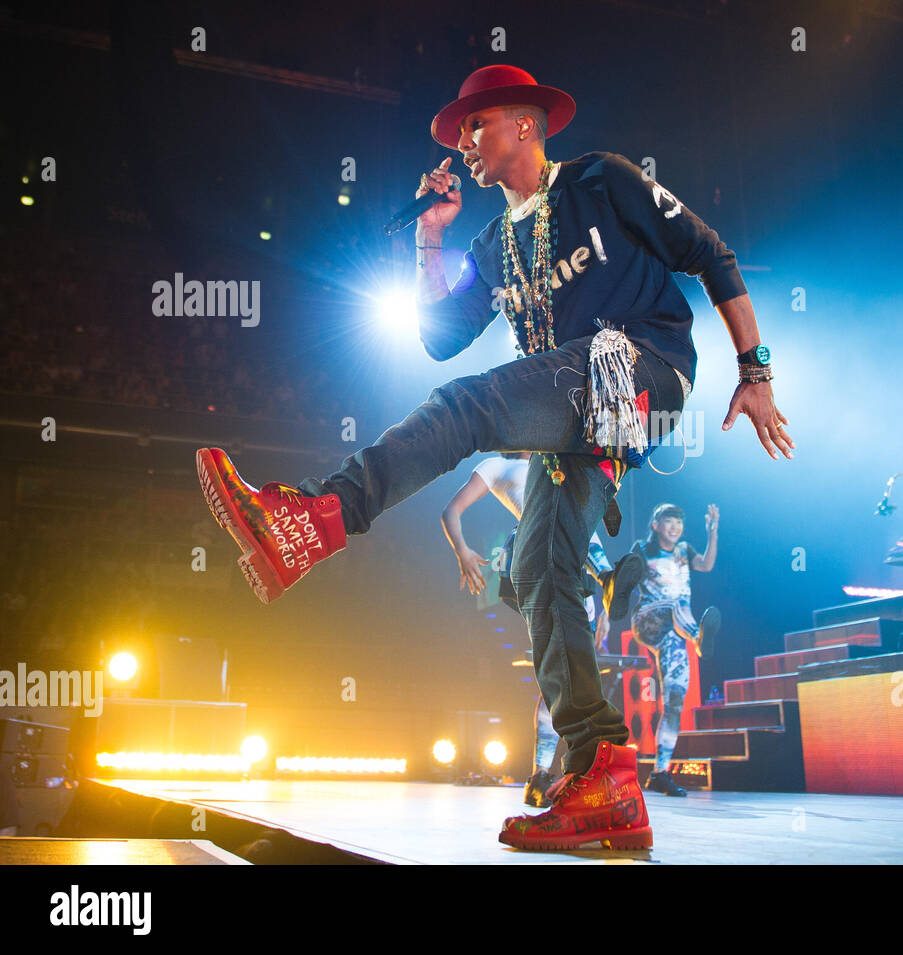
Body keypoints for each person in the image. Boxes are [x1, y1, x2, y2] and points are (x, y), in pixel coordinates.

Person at [195, 65, 793, 851]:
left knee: (468, 405)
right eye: (460, 132)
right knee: (538, 569)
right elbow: (440, 336)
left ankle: (318, 515)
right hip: (573, 412)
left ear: (525, 123)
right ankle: (606, 777)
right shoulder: (490, 244)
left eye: (476, 125)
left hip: (641, 370)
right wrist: (430, 235)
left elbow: (710, 253)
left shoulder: (600, 181)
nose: (465, 143)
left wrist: (755, 372)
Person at [440, 451, 644, 807]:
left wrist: (601, 610)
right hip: (538, 553)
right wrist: (463, 551)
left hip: (577, 573)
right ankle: (606, 576)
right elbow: (451, 510)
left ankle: (544, 776)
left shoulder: (556, 458)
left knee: (567, 676)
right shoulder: (499, 466)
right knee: (557, 524)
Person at [627, 502, 720, 796]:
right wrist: (605, 614)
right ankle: (698, 638)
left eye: (679, 522)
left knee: (675, 699)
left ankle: (660, 772)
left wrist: (712, 531)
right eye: (669, 521)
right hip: (649, 619)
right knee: (675, 603)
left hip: (675, 632)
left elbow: (706, 565)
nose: (675, 527)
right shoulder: (642, 549)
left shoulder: (683, 550)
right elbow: (622, 582)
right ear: (656, 525)